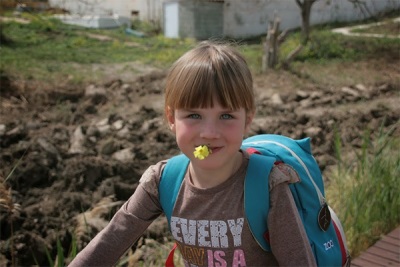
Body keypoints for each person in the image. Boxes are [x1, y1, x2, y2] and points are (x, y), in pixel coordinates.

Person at [69, 41, 316, 267]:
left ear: (247, 120)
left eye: (226, 116)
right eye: (194, 115)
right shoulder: (162, 181)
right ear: (171, 118)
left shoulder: (269, 185)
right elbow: (110, 241)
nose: (209, 133)